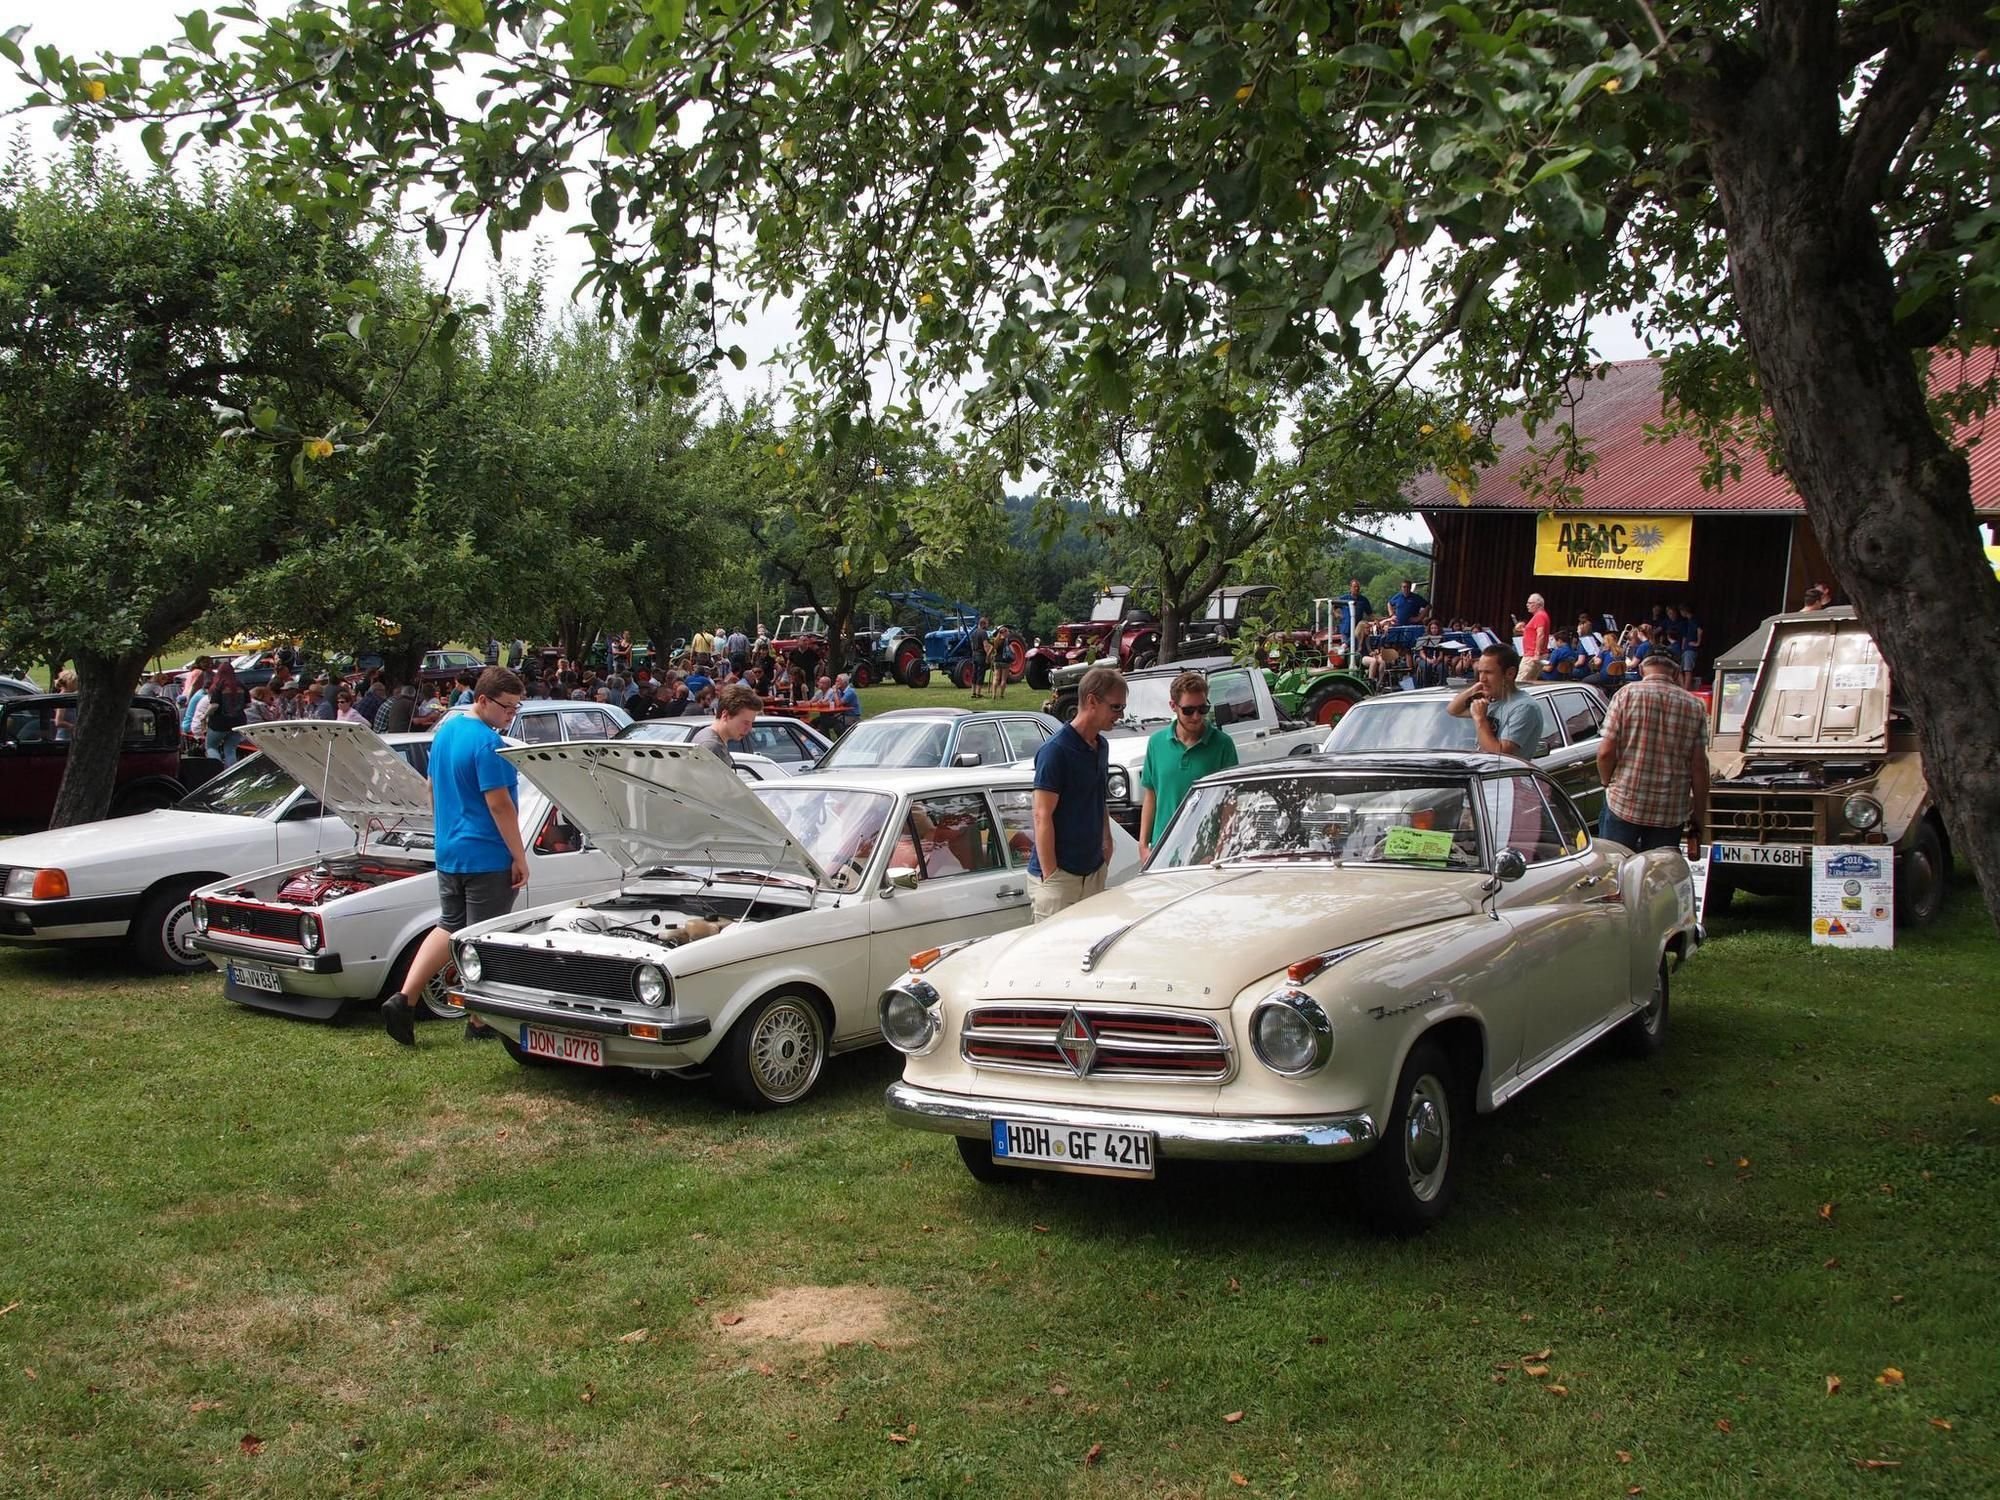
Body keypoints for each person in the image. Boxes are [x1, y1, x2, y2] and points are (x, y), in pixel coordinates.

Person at [382, 667, 531, 1046]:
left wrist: (445, 827)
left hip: (449, 850)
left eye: (517, 708)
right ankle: (480, 1020)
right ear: (483, 700)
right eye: (508, 708)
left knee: (450, 925)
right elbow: (500, 806)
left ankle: (404, 998)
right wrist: (519, 856)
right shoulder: (488, 744)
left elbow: (431, 788)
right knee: (484, 938)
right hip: (486, 854)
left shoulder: (446, 731)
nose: (511, 715)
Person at [1028, 665, 1123, 921]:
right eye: (1116, 707)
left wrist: (1107, 843)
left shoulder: (1101, 746)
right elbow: (1041, 815)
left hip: (1093, 872)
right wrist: (1051, 875)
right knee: (1054, 957)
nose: (1121, 714)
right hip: (1060, 879)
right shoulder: (1055, 751)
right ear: (1092, 701)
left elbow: (1097, 798)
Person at [1596, 653, 1709, 857]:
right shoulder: (1695, 705)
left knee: (1614, 870)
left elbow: (1605, 752)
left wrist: (1606, 782)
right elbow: (1699, 767)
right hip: (1670, 810)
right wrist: (1698, 816)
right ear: (1675, 672)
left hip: (1625, 800)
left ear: (1641, 670)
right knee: (1657, 879)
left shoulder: (1625, 695)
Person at [1137, 670, 1238, 861]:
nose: (1196, 716)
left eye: (1203, 709)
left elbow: (1230, 802)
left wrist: (1220, 850)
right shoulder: (1156, 743)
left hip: (1204, 851)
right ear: (1173, 706)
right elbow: (1151, 795)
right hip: (1162, 849)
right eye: (1188, 710)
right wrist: (1143, 845)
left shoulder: (1223, 744)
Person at [1446, 645, 1543, 758]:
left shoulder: (1524, 707)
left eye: (1488, 672)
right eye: (1480, 672)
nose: (1482, 678)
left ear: (1510, 673)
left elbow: (1500, 755)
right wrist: (1475, 688)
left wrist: (1480, 719)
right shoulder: (1490, 700)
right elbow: (1453, 710)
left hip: (1506, 774)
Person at [691, 683, 761, 766]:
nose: (749, 728)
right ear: (725, 715)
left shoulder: (712, 741)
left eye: (751, 723)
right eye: (745, 722)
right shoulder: (711, 746)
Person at [1513, 592, 1551, 680]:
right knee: (1530, 682)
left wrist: (1536, 654)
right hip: (1535, 654)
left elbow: (1540, 635)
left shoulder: (1539, 616)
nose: (1527, 605)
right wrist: (1524, 630)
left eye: (1530, 603)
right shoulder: (1542, 615)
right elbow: (1535, 633)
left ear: (1538, 604)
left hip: (1532, 655)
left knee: (1520, 682)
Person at [987, 623, 1011, 701]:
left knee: (996, 678)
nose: (1008, 633)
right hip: (1005, 661)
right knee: (1003, 679)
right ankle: (1001, 695)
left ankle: (994, 695)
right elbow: (1011, 650)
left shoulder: (995, 640)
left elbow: (991, 651)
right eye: (1007, 631)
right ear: (1004, 632)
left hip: (997, 661)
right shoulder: (1007, 641)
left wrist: (988, 657)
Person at [968, 616, 990, 699]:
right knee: (980, 674)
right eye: (987, 624)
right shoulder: (983, 633)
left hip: (974, 655)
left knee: (974, 674)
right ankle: (978, 693)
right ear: (983, 624)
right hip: (981, 655)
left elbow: (972, 645)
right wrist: (989, 655)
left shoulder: (974, 633)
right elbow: (985, 645)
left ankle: (973, 692)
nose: (988, 625)